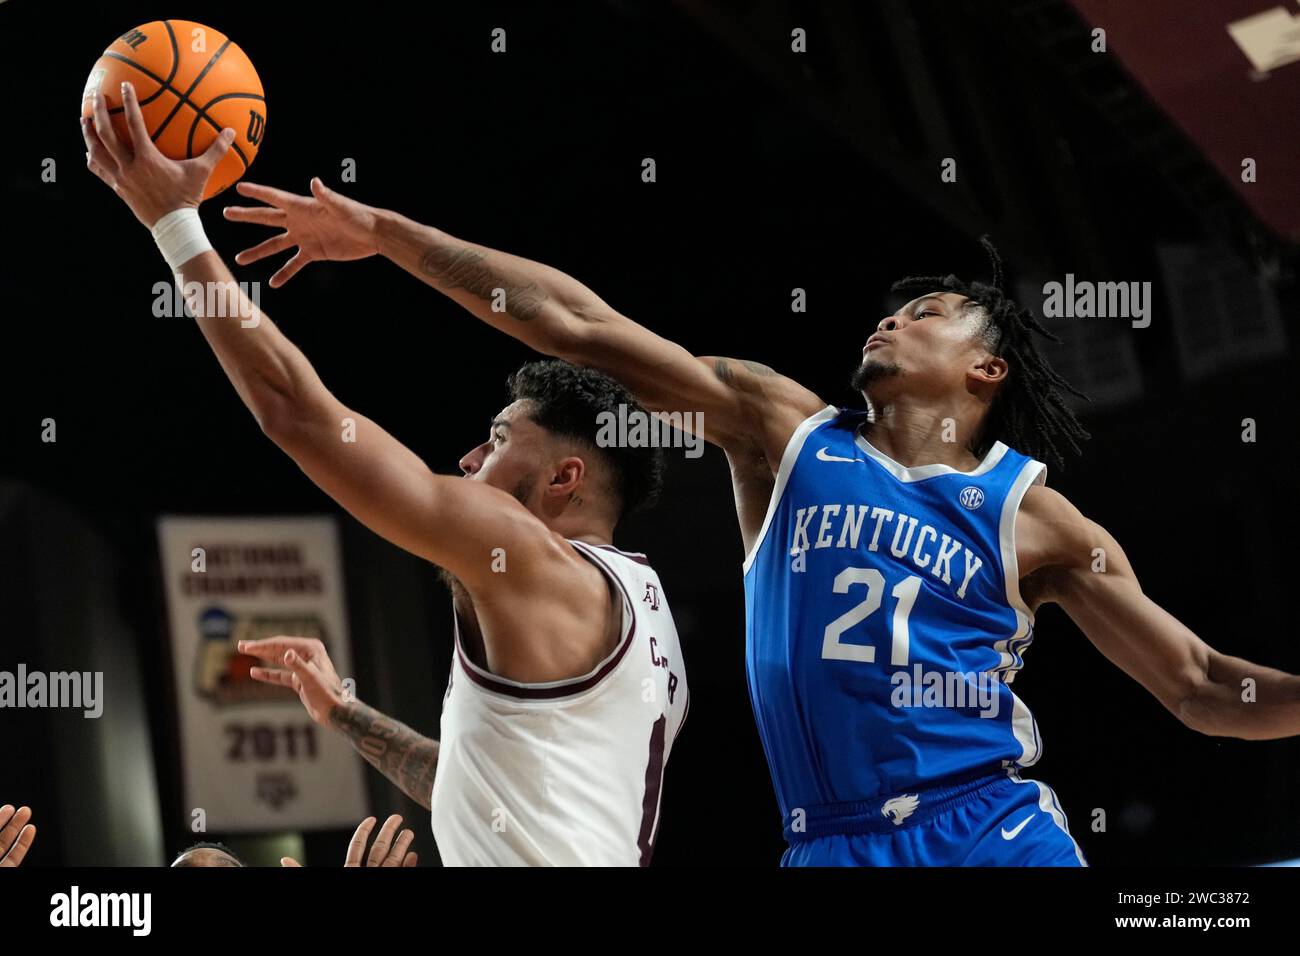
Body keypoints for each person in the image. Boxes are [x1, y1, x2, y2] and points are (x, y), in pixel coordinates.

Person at [220, 175, 1300, 866]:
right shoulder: (782, 430)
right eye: (891, 304)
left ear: (985, 367)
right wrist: (387, 232)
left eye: (926, 312)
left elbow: (1203, 684)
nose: (892, 315)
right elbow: (577, 322)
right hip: (823, 842)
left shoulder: (1038, 520)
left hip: (988, 827)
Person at [82, 83, 688, 867]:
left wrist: (172, 223)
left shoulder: (532, 557)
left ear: (566, 477)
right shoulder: (648, 610)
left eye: (498, 438)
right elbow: (484, 794)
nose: (470, 460)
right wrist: (346, 715)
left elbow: (296, 414)